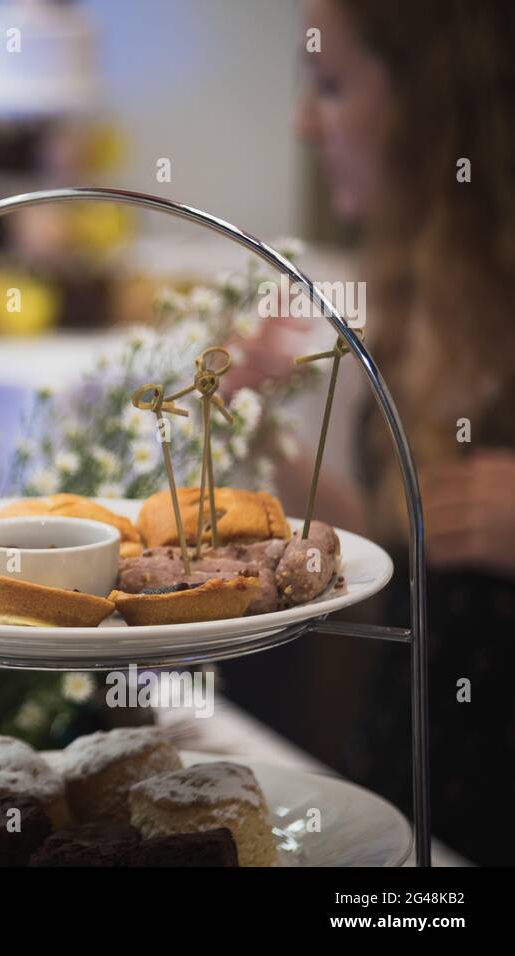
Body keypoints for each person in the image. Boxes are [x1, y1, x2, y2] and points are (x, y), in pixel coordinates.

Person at [257, 0, 515, 865]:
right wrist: (256, 428)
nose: (300, 123)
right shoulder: (416, 292)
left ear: (432, 100)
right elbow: (391, 543)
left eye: (330, 84)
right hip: (410, 807)